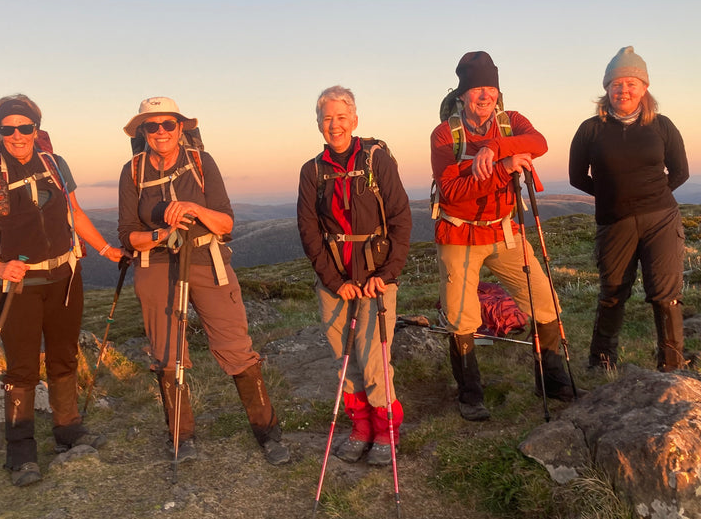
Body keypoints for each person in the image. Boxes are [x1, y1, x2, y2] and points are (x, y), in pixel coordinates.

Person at [117, 96, 290, 466]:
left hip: (206, 259)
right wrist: (162, 234)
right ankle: (181, 437)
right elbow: (127, 235)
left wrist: (194, 209)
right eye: (152, 126)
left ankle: (268, 433)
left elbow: (226, 223)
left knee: (236, 347)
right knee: (166, 354)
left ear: (181, 127)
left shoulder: (201, 162)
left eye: (168, 124)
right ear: (143, 131)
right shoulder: (132, 172)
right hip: (156, 263)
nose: (161, 131)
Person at [0, 94, 122, 487]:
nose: (17, 135)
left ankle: (68, 430)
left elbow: (75, 213)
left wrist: (107, 250)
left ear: (37, 128)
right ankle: (21, 454)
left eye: (25, 127)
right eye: (8, 129)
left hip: (65, 276)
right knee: (22, 367)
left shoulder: (55, 163)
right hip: (17, 285)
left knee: (65, 355)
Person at [431, 51, 579, 420]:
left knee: (545, 302)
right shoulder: (445, 135)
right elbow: (451, 192)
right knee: (461, 317)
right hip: (459, 234)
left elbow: (539, 142)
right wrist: (503, 168)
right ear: (462, 94)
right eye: (476, 89)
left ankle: (551, 382)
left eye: (491, 88)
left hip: (504, 230)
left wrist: (494, 148)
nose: (485, 95)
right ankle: (470, 395)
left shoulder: (510, 122)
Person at [297, 86, 412, 466]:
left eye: (341, 117)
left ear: (355, 120)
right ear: (318, 123)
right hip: (335, 283)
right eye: (327, 118)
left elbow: (400, 217)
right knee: (344, 359)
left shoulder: (377, 159)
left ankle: (386, 429)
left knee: (373, 358)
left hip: (376, 278)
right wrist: (335, 282)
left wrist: (388, 273)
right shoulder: (312, 171)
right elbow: (309, 231)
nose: (335, 125)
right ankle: (360, 426)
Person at [568, 47, 690, 372]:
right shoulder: (590, 129)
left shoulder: (662, 126)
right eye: (617, 84)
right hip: (614, 222)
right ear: (607, 89)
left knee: (665, 293)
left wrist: (653, 196)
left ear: (644, 88)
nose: (623, 90)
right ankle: (601, 364)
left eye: (631, 84)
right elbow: (576, 177)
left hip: (661, 220)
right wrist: (613, 197)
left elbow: (680, 172)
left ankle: (672, 366)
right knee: (612, 291)